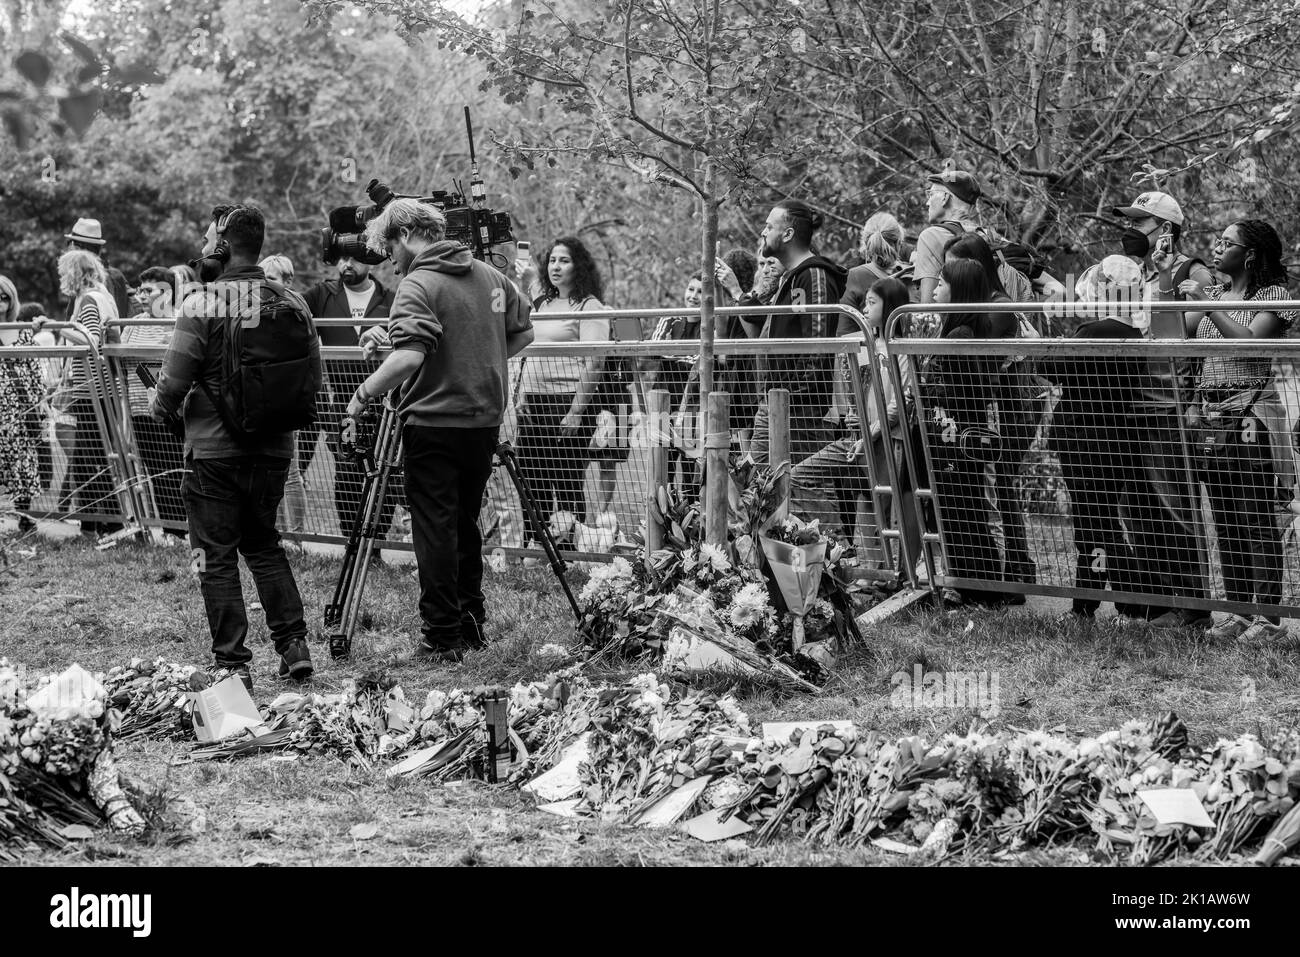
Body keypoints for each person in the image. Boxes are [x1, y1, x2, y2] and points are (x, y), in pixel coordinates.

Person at [348, 198, 533, 661]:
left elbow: (411, 357)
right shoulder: (492, 276)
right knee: (464, 525)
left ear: (408, 233)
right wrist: (476, 364)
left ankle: (441, 636)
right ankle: (472, 626)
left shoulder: (418, 283)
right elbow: (523, 331)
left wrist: (363, 395)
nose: (387, 257)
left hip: (432, 421)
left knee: (433, 529)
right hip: (483, 419)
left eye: (389, 244)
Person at [151, 205, 319, 688]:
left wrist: (160, 406)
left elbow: (171, 387)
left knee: (214, 556)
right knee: (265, 545)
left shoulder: (202, 303)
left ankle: (233, 665)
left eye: (208, 241)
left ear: (222, 248)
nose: (204, 249)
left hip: (212, 454)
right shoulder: (293, 301)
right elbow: (314, 379)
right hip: (274, 452)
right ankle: (294, 645)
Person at [1169, 220, 1296, 641]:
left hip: (1250, 414)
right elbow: (1174, 336)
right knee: (1224, 517)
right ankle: (1240, 613)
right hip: (1210, 416)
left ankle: (1269, 619)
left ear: (1251, 254)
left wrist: (1208, 303)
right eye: (1218, 241)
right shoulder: (1218, 297)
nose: (1217, 247)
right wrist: (1172, 279)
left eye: (1227, 243)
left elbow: (1246, 342)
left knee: (1255, 516)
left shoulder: (1274, 296)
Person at [1098, 189, 1217, 630]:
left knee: (1174, 506)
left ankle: (1193, 608)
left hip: (1169, 407)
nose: (1130, 231)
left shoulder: (1193, 271)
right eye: (1127, 223)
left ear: (1165, 229)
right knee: (1138, 509)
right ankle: (1158, 603)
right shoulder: (1133, 274)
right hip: (1130, 402)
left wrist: (1166, 280)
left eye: (1139, 223)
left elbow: (1175, 338)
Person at [1045, 257, 1153, 621]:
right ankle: (1085, 605)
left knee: (1094, 522)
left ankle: (1134, 600)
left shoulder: (1093, 331)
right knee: (1097, 518)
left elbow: (1053, 369)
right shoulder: (1133, 333)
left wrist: (1042, 345)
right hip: (1115, 438)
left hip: (1083, 438)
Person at [792, 276, 917, 571]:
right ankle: (840, 551)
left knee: (878, 506)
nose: (865, 307)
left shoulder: (901, 348)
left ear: (891, 307)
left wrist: (874, 431)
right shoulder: (865, 345)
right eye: (865, 302)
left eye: (872, 303)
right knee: (802, 475)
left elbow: (902, 400)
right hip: (857, 437)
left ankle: (877, 574)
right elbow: (861, 393)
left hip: (888, 439)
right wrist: (854, 417)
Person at [716, 200, 847, 467]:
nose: (763, 232)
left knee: (800, 490)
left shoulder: (814, 275)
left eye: (768, 226)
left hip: (799, 409)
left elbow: (817, 346)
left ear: (787, 234)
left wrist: (791, 395)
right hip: (774, 403)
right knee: (760, 487)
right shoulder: (790, 278)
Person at [943, 232, 1034, 590]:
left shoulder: (997, 306)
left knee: (999, 491)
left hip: (1005, 410)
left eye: (952, 265)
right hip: (984, 412)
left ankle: (1012, 576)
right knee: (994, 491)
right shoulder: (978, 306)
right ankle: (1006, 573)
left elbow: (984, 367)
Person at [923, 259, 1016, 606]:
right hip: (953, 435)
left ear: (958, 290)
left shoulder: (960, 335)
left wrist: (930, 391)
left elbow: (966, 390)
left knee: (965, 511)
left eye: (942, 283)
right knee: (961, 510)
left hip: (958, 437)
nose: (934, 288)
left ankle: (981, 588)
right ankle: (969, 585)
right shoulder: (956, 331)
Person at [513, 236, 612, 550]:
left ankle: (569, 547)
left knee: (566, 480)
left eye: (564, 260)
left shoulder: (590, 306)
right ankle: (536, 542)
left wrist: (576, 412)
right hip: (532, 404)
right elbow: (527, 284)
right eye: (552, 260)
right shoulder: (543, 301)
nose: (556, 266)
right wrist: (520, 396)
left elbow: (595, 362)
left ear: (579, 265)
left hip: (567, 402)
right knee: (531, 477)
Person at [301, 253, 396, 539]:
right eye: (341, 258)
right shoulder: (322, 295)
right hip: (343, 400)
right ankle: (350, 539)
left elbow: (413, 323)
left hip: (383, 400)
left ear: (370, 261)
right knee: (346, 471)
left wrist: (388, 329)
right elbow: (290, 315)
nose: (346, 265)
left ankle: (375, 541)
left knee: (381, 471)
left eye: (354, 258)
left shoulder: (391, 298)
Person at [41, 249, 121, 536]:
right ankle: (98, 522)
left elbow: (90, 339)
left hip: (92, 390)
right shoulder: (105, 296)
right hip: (101, 387)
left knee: (91, 458)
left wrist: (56, 326)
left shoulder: (89, 300)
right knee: (96, 456)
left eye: (65, 272)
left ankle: (105, 523)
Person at [122, 267, 185, 526]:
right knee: (157, 472)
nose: (142, 296)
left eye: (149, 290)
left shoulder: (182, 321)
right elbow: (120, 363)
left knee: (178, 469)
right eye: (140, 290)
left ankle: (186, 527)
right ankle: (171, 529)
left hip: (176, 410)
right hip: (140, 409)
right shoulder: (132, 325)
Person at [259, 255, 308, 539]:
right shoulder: (256, 306)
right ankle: (273, 533)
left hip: (286, 396)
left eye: (272, 278)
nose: (265, 284)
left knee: (289, 472)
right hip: (264, 397)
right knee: (268, 471)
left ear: (288, 280)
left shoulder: (294, 306)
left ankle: (297, 536)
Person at [0, 276, 44, 533]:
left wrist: (41, 401)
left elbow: (35, 367)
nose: (1, 302)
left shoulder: (23, 330)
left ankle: (24, 515)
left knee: (23, 460)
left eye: (5, 297)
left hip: (21, 407)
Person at [63, 218, 132, 320]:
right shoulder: (116, 276)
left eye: (69, 244)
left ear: (76, 248)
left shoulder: (86, 281)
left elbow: (76, 326)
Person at [841, 212, 907, 313]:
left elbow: (845, 326)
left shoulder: (854, 276)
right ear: (899, 242)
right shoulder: (911, 274)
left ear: (866, 245)